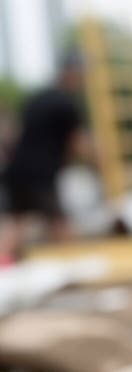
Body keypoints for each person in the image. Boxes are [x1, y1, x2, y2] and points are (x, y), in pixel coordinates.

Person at [0, 54, 89, 264]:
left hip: (17, 169)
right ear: (71, 73)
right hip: (41, 173)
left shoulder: (36, 97)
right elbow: (76, 143)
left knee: (16, 222)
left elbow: (17, 133)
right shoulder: (66, 103)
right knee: (59, 222)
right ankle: (71, 266)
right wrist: (99, 160)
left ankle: (3, 264)